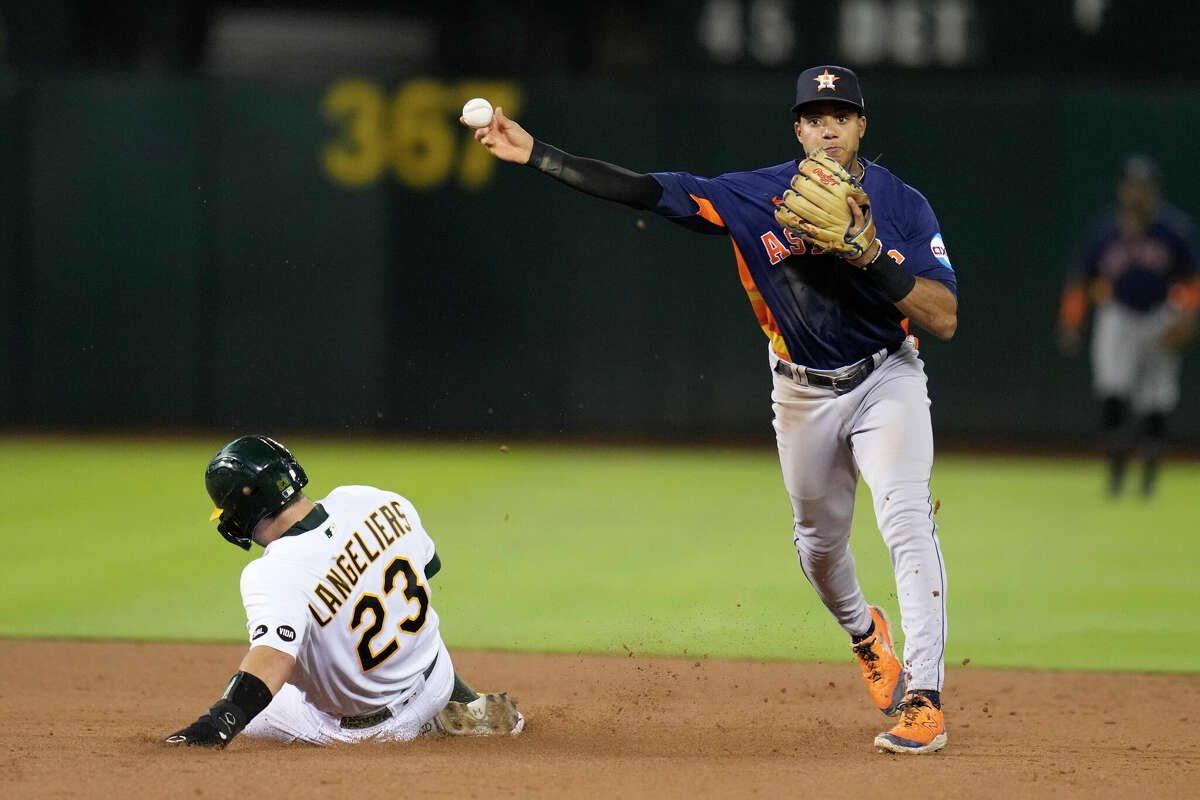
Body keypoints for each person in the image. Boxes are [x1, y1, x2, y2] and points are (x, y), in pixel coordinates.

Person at [468, 65, 957, 754]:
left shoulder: (903, 204)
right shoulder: (752, 197)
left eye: (841, 114)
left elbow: (943, 318)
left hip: (887, 381)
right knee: (820, 549)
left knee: (906, 519)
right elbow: (646, 189)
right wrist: (539, 154)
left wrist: (872, 253)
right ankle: (864, 635)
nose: (828, 125)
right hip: (800, 389)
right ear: (797, 129)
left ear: (861, 126)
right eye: (816, 115)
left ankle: (925, 699)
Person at [164, 435, 524, 748]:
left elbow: (272, 661)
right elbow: (427, 569)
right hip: (436, 677)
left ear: (240, 514)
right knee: (397, 617)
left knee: (256, 702)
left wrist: (216, 725)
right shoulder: (371, 498)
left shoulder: (271, 572)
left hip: (378, 729)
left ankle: (425, 723)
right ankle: (466, 706)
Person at [1059, 154, 1199, 498]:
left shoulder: (1174, 230)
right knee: (1112, 389)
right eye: (1133, 187)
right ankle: (1117, 469)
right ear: (1123, 190)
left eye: (1145, 187)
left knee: (1157, 398)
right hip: (1117, 315)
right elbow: (1081, 278)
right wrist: (1071, 319)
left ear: (1154, 192)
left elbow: (1193, 279)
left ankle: (1149, 476)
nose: (1138, 194)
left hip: (1160, 316)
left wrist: (1187, 317)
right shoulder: (1105, 230)